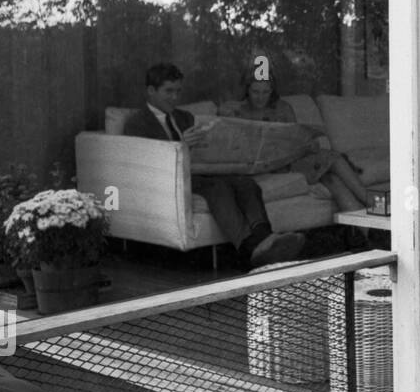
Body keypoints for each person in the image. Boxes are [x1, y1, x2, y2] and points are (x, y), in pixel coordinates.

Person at [123, 63, 306, 271]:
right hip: (171, 178)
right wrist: (180, 145)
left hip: (201, 169)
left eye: (178, 91)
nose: (175, 97)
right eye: (169, 91)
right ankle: (249, 249)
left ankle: (265, 238)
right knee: (217, 188)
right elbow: (143, 161)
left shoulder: (184, 117)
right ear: (151, 91)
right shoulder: (137, 123)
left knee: (243, 181)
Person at [220, 71, 369, 213]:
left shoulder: (283, 108)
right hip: (270, 165)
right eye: (255, 92)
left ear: (272, 91)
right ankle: (373, 204)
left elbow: (295, 137)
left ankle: (362, 232)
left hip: (293, 158)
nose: (260, 97)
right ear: (247, 91)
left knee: (333, 180)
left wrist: (307, 144)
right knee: (334, 158)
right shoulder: (238, 112)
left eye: (266, 92)